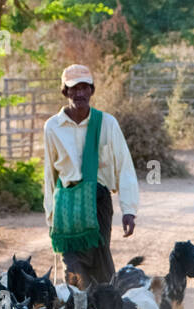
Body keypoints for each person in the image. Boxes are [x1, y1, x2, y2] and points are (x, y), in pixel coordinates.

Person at [43, 64, 140, 287]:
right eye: (73, 88)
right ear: (65, 92)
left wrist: (129, 210)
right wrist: (50, 216)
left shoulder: (106, 123)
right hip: (67, 204)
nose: (79, 93)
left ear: (92, 90)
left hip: (98, 202)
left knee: (101, 265)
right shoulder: (52, 127)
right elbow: (49, 174)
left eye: (84, 87)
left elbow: (124, 166)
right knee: (74, 271)